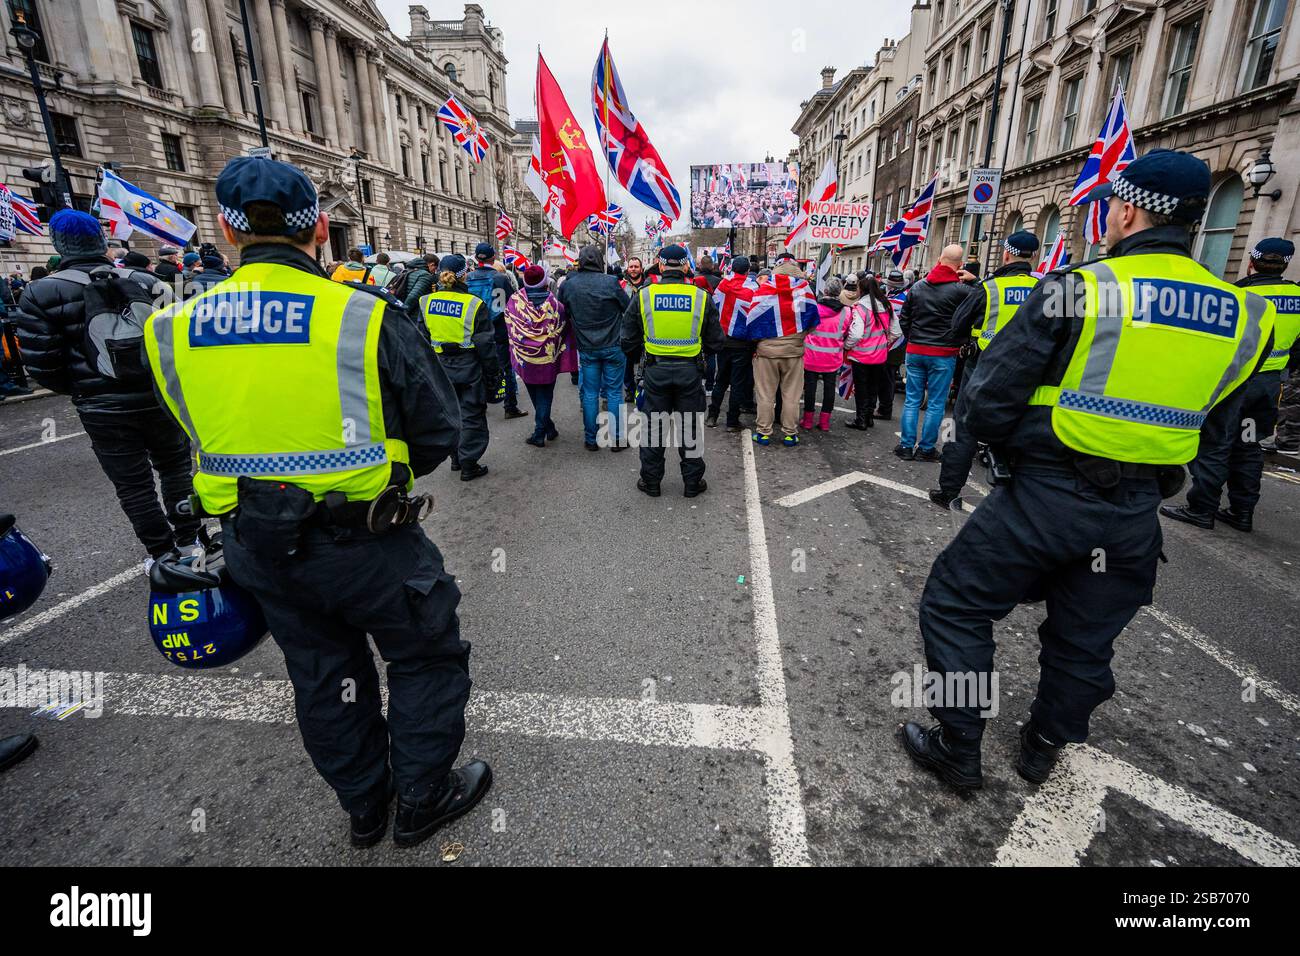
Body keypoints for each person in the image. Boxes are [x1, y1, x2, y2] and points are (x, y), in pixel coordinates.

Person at [144, 156, 491, 848]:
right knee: (425, 658)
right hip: (367, 540)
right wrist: (378, 464)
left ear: (226, 230)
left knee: (324, 675)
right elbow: (437, 429)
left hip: (257, 546)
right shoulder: (361, 315)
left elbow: (192, 433)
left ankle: (366, 807)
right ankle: (421, 798)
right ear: (320, 228)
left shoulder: (173, 327)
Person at [901, 149, 1274, 791]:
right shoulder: (1244, 316)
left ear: (1127, 211)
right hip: (1135, 514)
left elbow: (987, 398)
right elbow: (1214, 425)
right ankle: (1043, 746)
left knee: (956, 603)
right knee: (1082, 641)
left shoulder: (1083, 287)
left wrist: (999, 459)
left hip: (1045, 492)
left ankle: (959, 745)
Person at [16, 209, 201, 568]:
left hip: (101, 405)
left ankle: (162, 554)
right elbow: (179, 341)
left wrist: (83, 388)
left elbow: (42, 363)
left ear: (57, 243)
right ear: (102, 242)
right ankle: (190, 540)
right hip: (159, 397)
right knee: (176, 469)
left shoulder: (39, 293)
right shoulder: (148, 282)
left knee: (133, 484)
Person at [1161, 236, 1300, 531]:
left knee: (1215, 444)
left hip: (1234, 384)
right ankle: (1242, 511)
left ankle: (1201, 508)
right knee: (1248, 446)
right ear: (1285, 265)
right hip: (1268, 386)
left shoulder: (1239, 295)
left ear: (1251, 262)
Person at [930, 231, 1041, 508]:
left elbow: (957, 325)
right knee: (1016, 433)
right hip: (1027, 372)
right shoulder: (1046, 288)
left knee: (960, 430)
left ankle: (948, 491)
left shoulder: (989, 288)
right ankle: (1014, 502)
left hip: (982, 367)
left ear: (1005, 254)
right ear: (1034, 257)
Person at [622, 244, 723, 495]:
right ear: (686, 265)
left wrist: (639, 358)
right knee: (689, 428)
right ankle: (691, 483)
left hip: (655, 371)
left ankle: (651, 482)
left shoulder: (644, 295)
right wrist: (699, 356)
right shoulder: (701, 296)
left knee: (654, 428)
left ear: (661, 265)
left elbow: (627, 339)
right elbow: (716, 341)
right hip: (690, 372)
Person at [420, 254, 501, 480]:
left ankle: (455, 457)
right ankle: (468, 463)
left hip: (440, 368)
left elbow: (421, 338)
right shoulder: (474, 304)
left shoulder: (426, 302)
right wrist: (494, 374)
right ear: (464, 274)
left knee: (449, 414)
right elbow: (486, 345)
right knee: (472, 415)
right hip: (469, 368)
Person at [895, 244, 975, 461]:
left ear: (939, 259)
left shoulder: (918, 287)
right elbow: (979, 305)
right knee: (936, 403)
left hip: (916, 350)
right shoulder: (963, 291)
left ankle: (905, 446)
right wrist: (974, 280)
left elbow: (904, 318)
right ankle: (926, 449)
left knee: (912, 399)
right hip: (943, 353)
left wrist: (913, 338)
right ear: (959, 265)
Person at [559, 244, 631, 451]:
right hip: (613, 345)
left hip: (587, 347)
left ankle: (591, 439)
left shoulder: (568, 285)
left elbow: (563, 312)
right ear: (600, 261)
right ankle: (617, 439)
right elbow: (628, 308)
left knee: (590, 394)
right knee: (614, 393)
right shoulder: (611, 282)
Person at [504, 264, 575, 447]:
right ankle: (544, 430)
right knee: (545, 395)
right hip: (547, 358)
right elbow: (564, 328)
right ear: (545, 281)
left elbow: (509, 326)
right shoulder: (555, 305)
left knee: (535, 394)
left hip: (524, 357)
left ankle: (544, 430)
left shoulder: (514, 301)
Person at [751, 252, 812, 446]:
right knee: (792, 396)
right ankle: (789, 433)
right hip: (794, 352)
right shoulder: (805, 290)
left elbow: (753, 320)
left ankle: (763, 432)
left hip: (767, 352)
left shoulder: (765, 288)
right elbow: (812, 320)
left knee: (765, 395)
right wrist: (799, 338)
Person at [468, 242, 526, 420]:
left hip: (474, 329)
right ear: (493, 257)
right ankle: (510, 406)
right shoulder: (499, 278)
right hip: (498, 330)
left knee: (478, 368)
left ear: (477, 258)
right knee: (505, 368)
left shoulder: (468, 278)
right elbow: (509, 305)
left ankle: (480, 405)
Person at [706, 255, 758, 432]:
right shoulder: (752, 289)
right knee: (737, 383)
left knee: (721, 379)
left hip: (723, 340)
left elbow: (714, 306)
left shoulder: (723, 284)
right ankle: (732, 421)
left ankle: (712, 416)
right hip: (741, 343)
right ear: (747, 271)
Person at [844, 274, 900, 429]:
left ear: (862, 290)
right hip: (880, 355)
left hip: (861, 355)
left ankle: (861, 419)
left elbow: (856, 334)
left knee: (861, 388)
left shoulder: (860, 307)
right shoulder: (887, 305)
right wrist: (884, 342)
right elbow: (896, 331)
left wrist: (847, 346)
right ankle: (869, 417)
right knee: (874, 386)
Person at [802, 277, 857, 432]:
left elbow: (805, 328)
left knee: (810, 389)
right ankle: (824, 422)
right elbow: (848, 333)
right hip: (833, 357)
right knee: (829, 389)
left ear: (825, 291)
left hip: (811, 356)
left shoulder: (813, 308)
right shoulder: (846, 312)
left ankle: (807, 420)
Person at [619, 256, 654, 402]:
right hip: (627, 331)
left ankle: (644, 389)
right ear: (627, 269)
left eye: (636, 267)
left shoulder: (649, 285)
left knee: (645, 361)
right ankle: (630, 389)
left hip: (645, 329)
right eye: (631, 267)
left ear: (641, 268)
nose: (633, 269)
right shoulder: (620, 285)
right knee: (626, 363)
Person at [402, 252, 440, 317]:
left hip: (401, 305)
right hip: (413, 313)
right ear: (431, 264)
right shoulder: (425, 275)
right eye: (435, 268)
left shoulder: (407, 270)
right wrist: (403, 313)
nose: (434, 271)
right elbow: (413, 297)